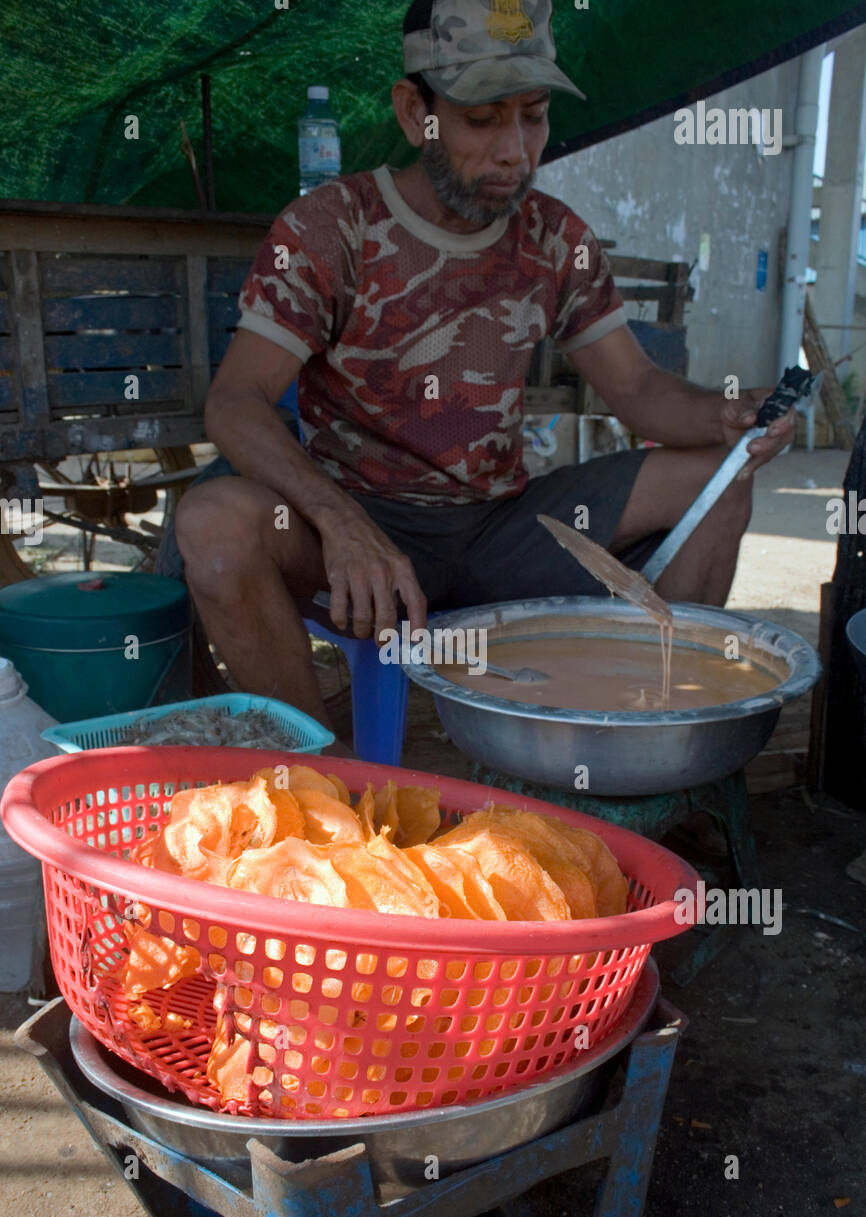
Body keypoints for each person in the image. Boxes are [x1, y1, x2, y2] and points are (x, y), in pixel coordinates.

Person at [173, 0, 795, 743]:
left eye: (533, 116)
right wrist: (340, 523)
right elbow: (235, 403)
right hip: (362, 530)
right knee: (214, 526)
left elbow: (638, 390)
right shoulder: (334, 227)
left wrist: (729, 416)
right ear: (415, 113)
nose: (515, 150)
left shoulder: (555, 238)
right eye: (483, 119)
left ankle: (651, 755)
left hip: (502, 530)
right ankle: (324, 788)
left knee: (719, 475)